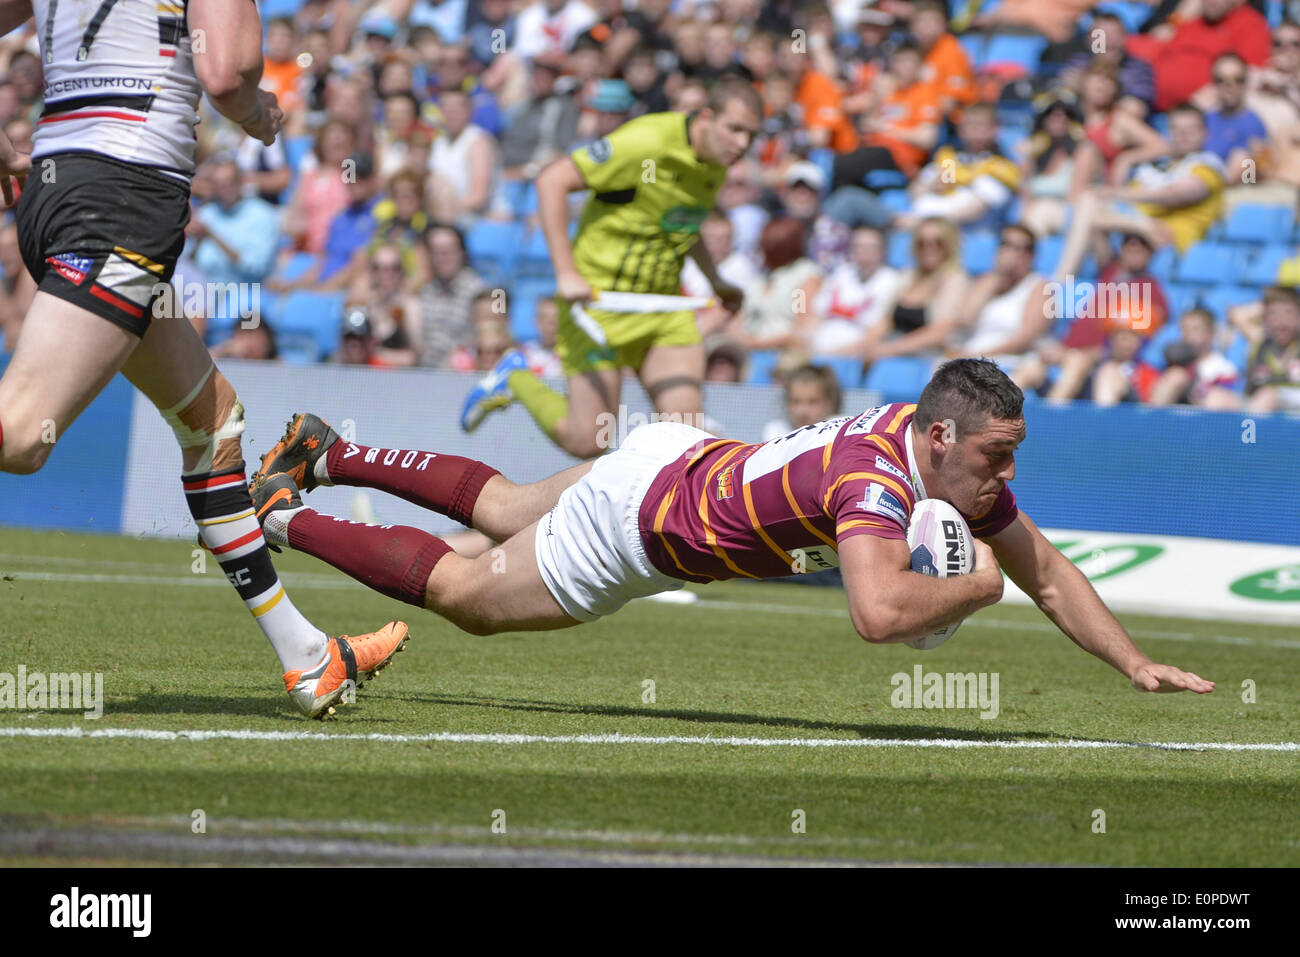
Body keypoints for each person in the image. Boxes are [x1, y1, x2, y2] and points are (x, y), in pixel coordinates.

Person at [249, 359, 1215, 697]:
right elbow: (881, 616)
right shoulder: (875, 481)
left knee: (502, 506)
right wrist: (974, 585)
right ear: (941, 436)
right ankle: (283, 515)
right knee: (469, 596)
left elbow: (1044, 566)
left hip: (677, 455)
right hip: (646, 523)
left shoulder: (937, 461)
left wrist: (1130, 662)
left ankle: (326, 450)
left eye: (1012, 455)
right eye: (996, 455)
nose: (1007, 476)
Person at [0, 0, 406, 719]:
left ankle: (307, 657)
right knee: (23, 434)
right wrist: (260, 117)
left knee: (214, 423)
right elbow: (224, 74)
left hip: (58, 191)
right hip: (122, 201)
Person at [460, 77, 761, 459]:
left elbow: (683, 221)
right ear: (706, 117)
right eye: (735, 129)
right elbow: (551, 181)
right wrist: (566, 272)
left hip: (662, 310)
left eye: (751, 134)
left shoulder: (717, 161)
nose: (742, 144)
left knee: (688, 442)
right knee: (588, 441)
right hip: (597, 304)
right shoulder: (645, 143)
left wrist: (715, 281)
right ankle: (514, 378)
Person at [1054, 105, 1224, 278]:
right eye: (1177, 129)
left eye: (1190, 130)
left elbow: (1174, 194)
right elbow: (1122, 193)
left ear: (1205, 133)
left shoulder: (1207, 166)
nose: (1183, 135)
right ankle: (1087, 280)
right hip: (1133, 233)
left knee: (1089, 205)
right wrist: (1126, 159)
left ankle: (1061, 280)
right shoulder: (1159, 166)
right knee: (1086, 205)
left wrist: (1117, 193)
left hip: (1166, 240)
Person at [760, 362, 842, 441]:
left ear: (830, 403)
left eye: (813, 402)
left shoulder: (841, 430)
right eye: (795, 401)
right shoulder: (776, 432)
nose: (803, 411)